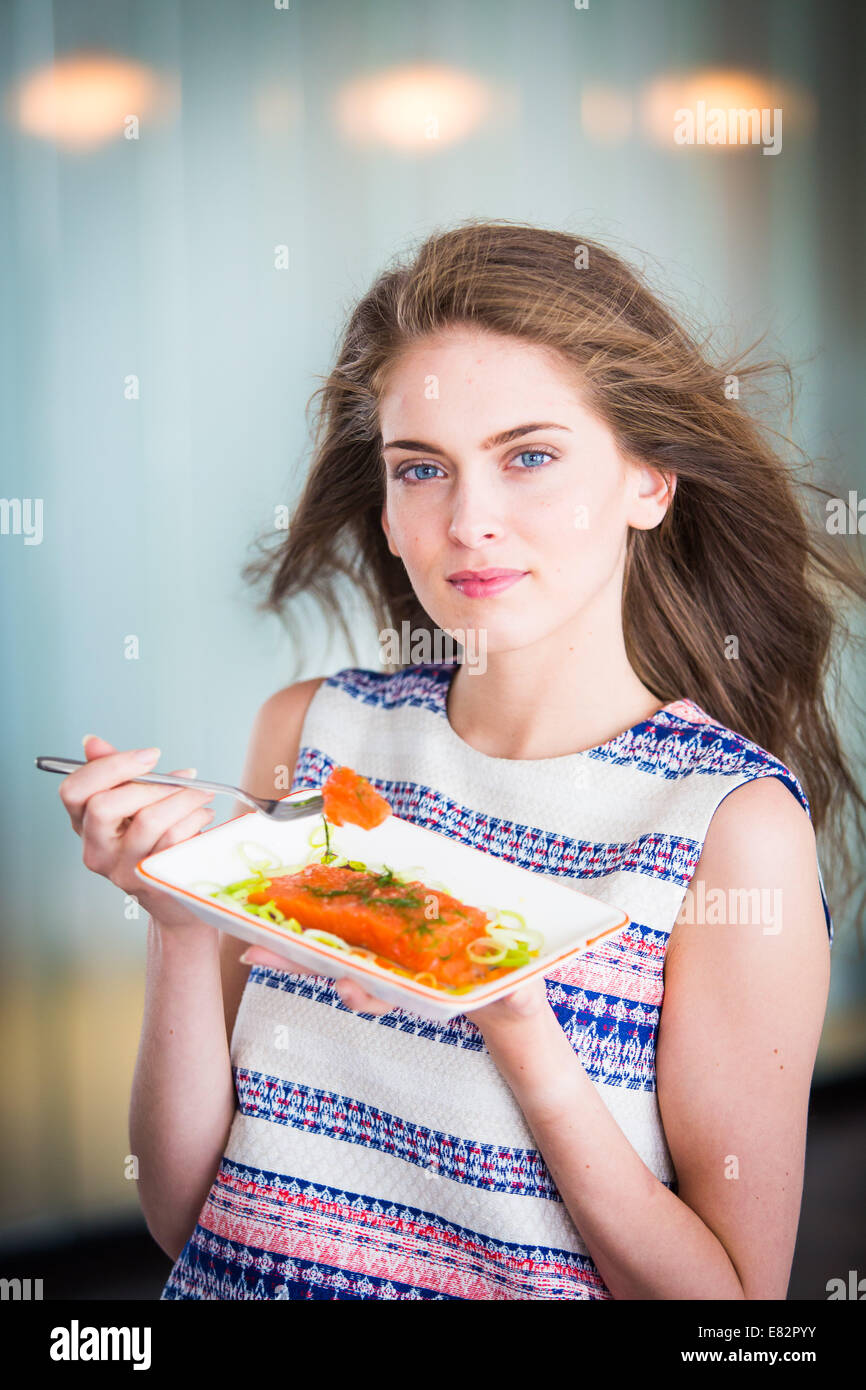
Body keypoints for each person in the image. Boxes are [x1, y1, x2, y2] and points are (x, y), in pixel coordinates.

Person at [62, 220, 865, 1299]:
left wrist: (517, 1024)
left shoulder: (722, 824)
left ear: (647, 481)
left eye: (527, 457)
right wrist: (173, 919)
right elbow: (185, 1214)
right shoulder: (311, 736)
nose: (469, 520)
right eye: (420, 469)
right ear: (388, 509)